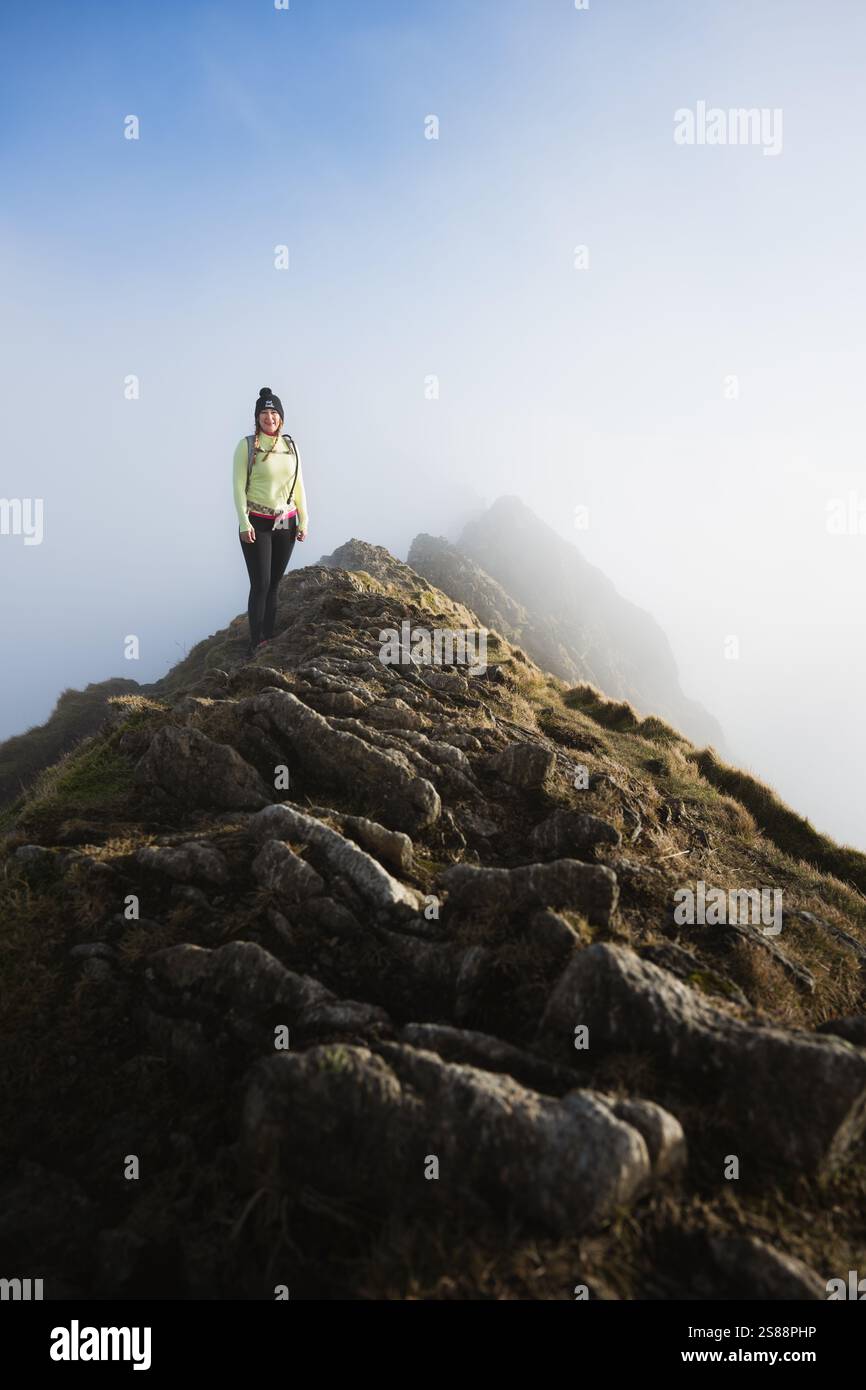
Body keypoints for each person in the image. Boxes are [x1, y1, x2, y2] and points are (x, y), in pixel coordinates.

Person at [233, 385, 309, 658]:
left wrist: (304, 520)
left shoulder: (291, 446)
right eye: (264, 413)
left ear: (281, 417)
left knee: (275, 583)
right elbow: (238, 487)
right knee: (261, 583)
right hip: (257, 522)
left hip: (285, 523)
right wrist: (244, 523)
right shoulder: (246, 446)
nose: (269, 417)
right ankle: (256, 642)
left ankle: (269, 635)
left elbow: (299, 484)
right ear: (257, 418)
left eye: (274, 412)